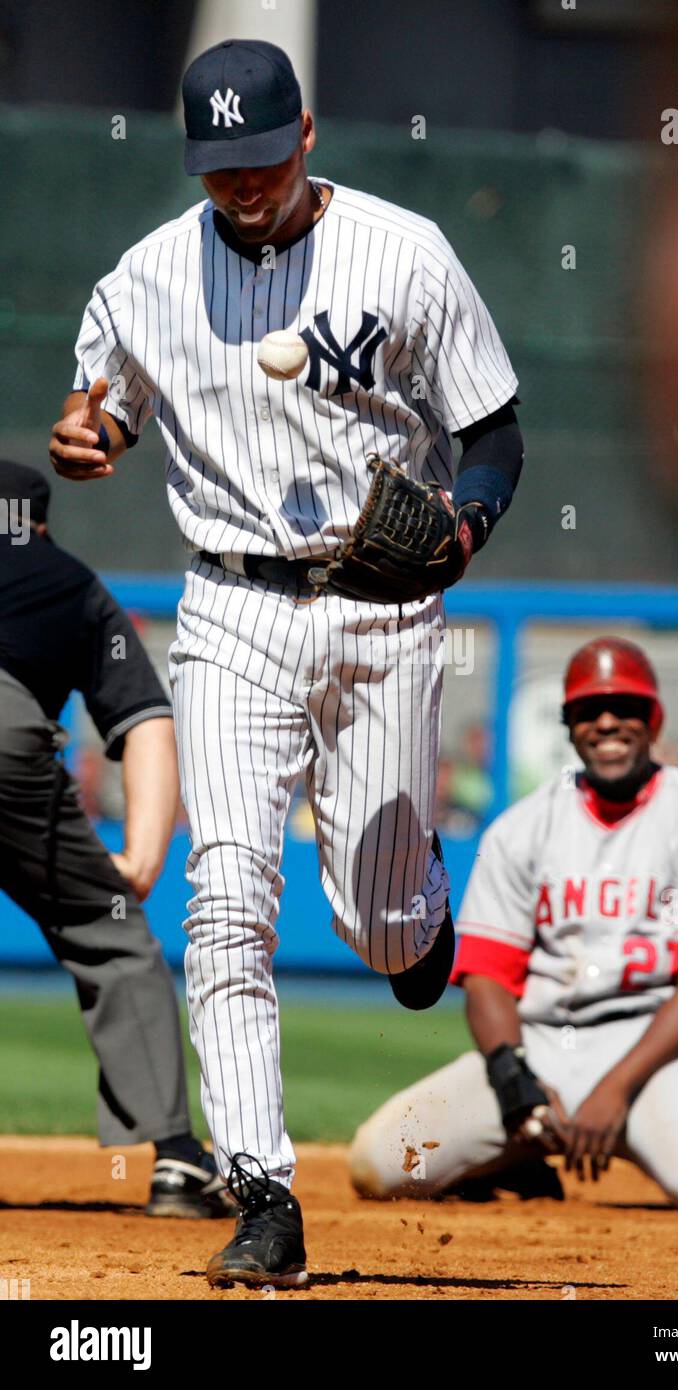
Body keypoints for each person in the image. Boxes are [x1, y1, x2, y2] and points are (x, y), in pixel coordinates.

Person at [49, 40, 523, 1288]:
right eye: (219, 168)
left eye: (261, 159)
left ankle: (416, 914)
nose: (243, 186)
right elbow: (101, 406)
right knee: (225, 901)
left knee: (375, 928)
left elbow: (491, 433)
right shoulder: (148, 276)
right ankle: (264, 1197)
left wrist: (462, 530)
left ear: (305, 135)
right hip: (232, 610)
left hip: (384, 606)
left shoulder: (405, 252)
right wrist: (90, 435)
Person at [350, 637, 678, 1213]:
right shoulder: (522, 828)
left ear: (654, 720)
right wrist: (511, 1075)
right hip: (540, 1046)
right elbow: (488, 976)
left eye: (625, 707)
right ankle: (517, 1158)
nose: (607, 722)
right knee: (381, 1161)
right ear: (569, 725)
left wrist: (614, 1088)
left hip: (657, 1057)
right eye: (589, 710)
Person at [0, 460, 228, 1218]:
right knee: (113, 939)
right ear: (38, 521)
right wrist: (138, 860)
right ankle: (175, 1163)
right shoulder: (67, 579)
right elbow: (143, 722)